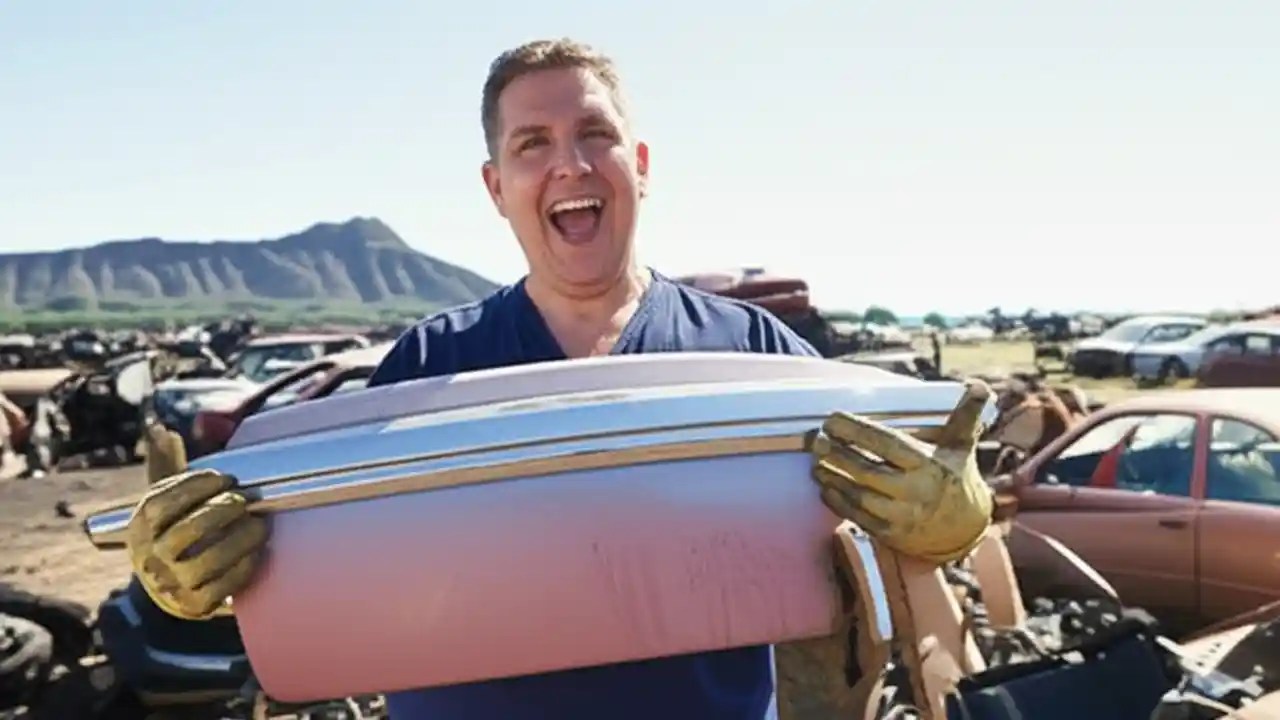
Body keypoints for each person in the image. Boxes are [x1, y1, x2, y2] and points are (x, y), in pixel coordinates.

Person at [125, 38, 995, 720]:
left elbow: (883, 531)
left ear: (641, 166)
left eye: (595, 134)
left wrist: (955, 519)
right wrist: (196, 585)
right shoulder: (425, 371)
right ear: (496, 186)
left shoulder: (758, 358)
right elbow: (322, 581)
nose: (570, 164)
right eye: (532, 144)